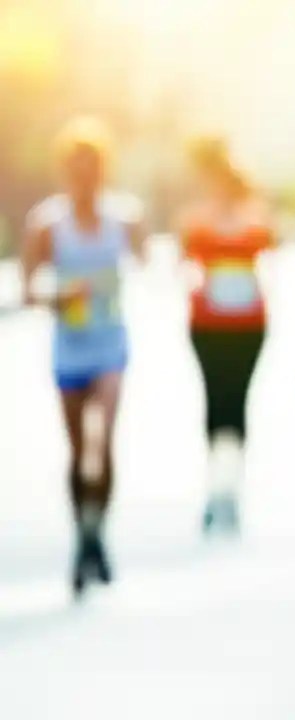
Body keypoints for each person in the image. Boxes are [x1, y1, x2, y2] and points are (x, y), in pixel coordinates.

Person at [19, 116, 147, 597]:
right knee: (77, 451)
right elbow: (30, 291)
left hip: (110, 344)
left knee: (104, 442)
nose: (85, 176)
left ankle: (99, 533)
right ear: (64, 171)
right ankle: (82, 535)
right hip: (69, 347)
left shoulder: (124, 217)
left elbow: (146, 263)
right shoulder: (48, 224)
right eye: (76, 168)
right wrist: (58, 297)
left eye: (92, 167)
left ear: (104, 169)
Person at [177, 135, 276, 535]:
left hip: (248, 324)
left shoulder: (256, 217)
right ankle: (215, 486)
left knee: (238, 401)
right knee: (214, 401)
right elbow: (184, 263)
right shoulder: (196, 218)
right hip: (207, 323)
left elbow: (271, 248)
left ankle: (231, 487)